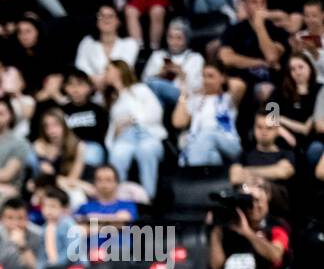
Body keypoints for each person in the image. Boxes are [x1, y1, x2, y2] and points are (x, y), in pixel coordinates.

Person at [217, 0, 290, 105]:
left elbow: (272, 57)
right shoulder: (234, 30)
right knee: (234, 85)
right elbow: (226, 58)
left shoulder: (277, 31)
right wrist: (260, 62)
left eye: (263, 2)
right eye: (254, 2)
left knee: (268, 91)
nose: (260, 6)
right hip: (242, 81)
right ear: (245, 5)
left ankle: (273, 123)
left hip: (270, 83)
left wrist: (259, 25)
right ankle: (228, 123)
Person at [103, 60, 166, 199]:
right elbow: (113, 128)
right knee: (117, 154)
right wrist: (116, 132)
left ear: (119, 71)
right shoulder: (113, 99)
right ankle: (119, 199)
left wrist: (133, 119)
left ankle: (148, 198)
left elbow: (156, 112)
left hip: (146, 133)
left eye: (108, 69)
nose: (104, 73)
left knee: (147, 150)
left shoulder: (140, 89)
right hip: (125, 137)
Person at [174, 62, 244, 167]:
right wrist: (184, 93)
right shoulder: (196, 100)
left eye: (210, 76)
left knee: (207, 132)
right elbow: (178, 123)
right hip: (202, 146)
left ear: (222, 78)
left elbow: (238, 85)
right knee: (213, 157)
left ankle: (193, 172)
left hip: (229, 142)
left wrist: (223, 81)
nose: (205, 80)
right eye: (203, 76)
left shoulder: (228, 98)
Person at [75, 5, 141, 96]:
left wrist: (104, 80)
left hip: (123, 91)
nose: (105, 19)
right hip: (94, 91)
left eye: (110, 16)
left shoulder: (130, 43)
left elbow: (125, 67)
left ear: (118, 21)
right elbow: (81, 65)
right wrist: (93, 79)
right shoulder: (87, 42)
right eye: (101, 16)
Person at [142, 18, 205, 108]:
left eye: (179, 38)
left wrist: (182, 74)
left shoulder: (196, 58)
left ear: (187, 39)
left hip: (184, 95)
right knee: (154, 87)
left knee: (157, 85)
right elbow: (145, 80)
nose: (174, 42)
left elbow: (198, 87)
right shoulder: (158, 55)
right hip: (156, 93)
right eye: (170, 37)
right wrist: (159, 74)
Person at [61, 68, 110, 165]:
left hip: (92, 147)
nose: (75, 90)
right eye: (71, 85)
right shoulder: (61, 110)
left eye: (80, 84)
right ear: (64, 88)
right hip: (68, 148)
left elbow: (102, 135)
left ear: (90, 87)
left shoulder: (98, 110)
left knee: (90, 155)